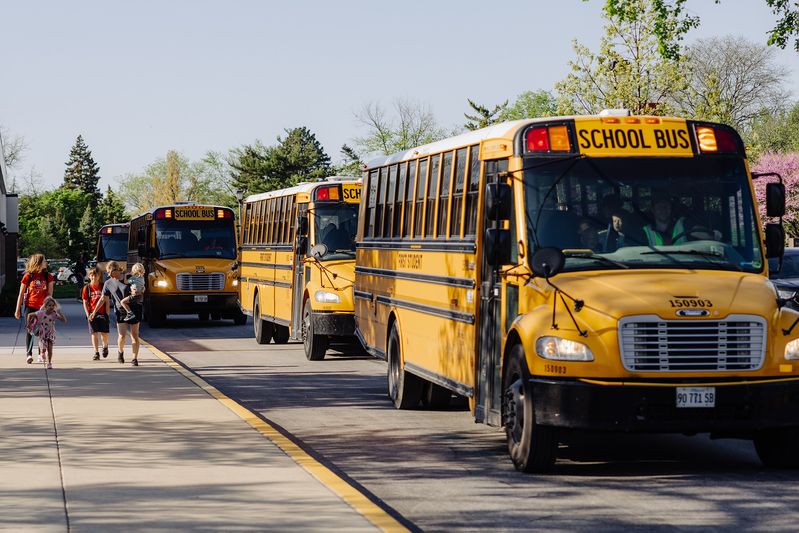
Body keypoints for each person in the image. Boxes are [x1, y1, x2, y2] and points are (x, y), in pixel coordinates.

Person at [90, 261, 141, 366]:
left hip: (134, 308)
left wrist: (139, 291)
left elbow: (141, 286)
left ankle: (134, 358)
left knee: (134, 335)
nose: (108, 274)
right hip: (120, 311)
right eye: (107, 272)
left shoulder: (129, 277)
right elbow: (103, 298)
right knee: (122, 335)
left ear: (116, 270)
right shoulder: (108, 283)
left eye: (110, 272)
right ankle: (120, 352)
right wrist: (94, 312)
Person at [15, 254, 55, 364]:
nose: (46, 262)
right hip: (30, 307)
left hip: (42, 308)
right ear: (38, 262)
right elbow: (21, 294)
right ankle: (29, 354)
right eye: (44, 261)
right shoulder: (28, 276)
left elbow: (50, 295)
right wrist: (17, 309)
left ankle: (41, 354)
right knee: (30, 331)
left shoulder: (48, 276)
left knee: (42, 332)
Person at [27, 296, 66, 370]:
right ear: (45, 306)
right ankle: (42, 353)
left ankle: (49, 363)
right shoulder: (41, 313)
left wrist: (60, 312)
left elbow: (64, 320)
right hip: (42, 333)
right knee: (43, 350)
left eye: (53, 306)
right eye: (49, 305)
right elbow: (30, 315)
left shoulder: (54, 314)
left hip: (50, 333)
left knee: (50, 349)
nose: (51, 307)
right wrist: (28, 325)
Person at [82, 266, 110, 361]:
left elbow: (106, 300)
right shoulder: (87, 288)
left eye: (96, 275)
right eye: (92, 275)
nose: (94, 277)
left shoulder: (103, 286)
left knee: (104, 333)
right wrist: (87, 314)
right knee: (94, 333)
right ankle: (96, 352)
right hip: (92, 314)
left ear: (99, 276)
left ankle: (105, 347)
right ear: (89, 276)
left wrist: (107, 313)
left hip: (102, 313)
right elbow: (85, 302)